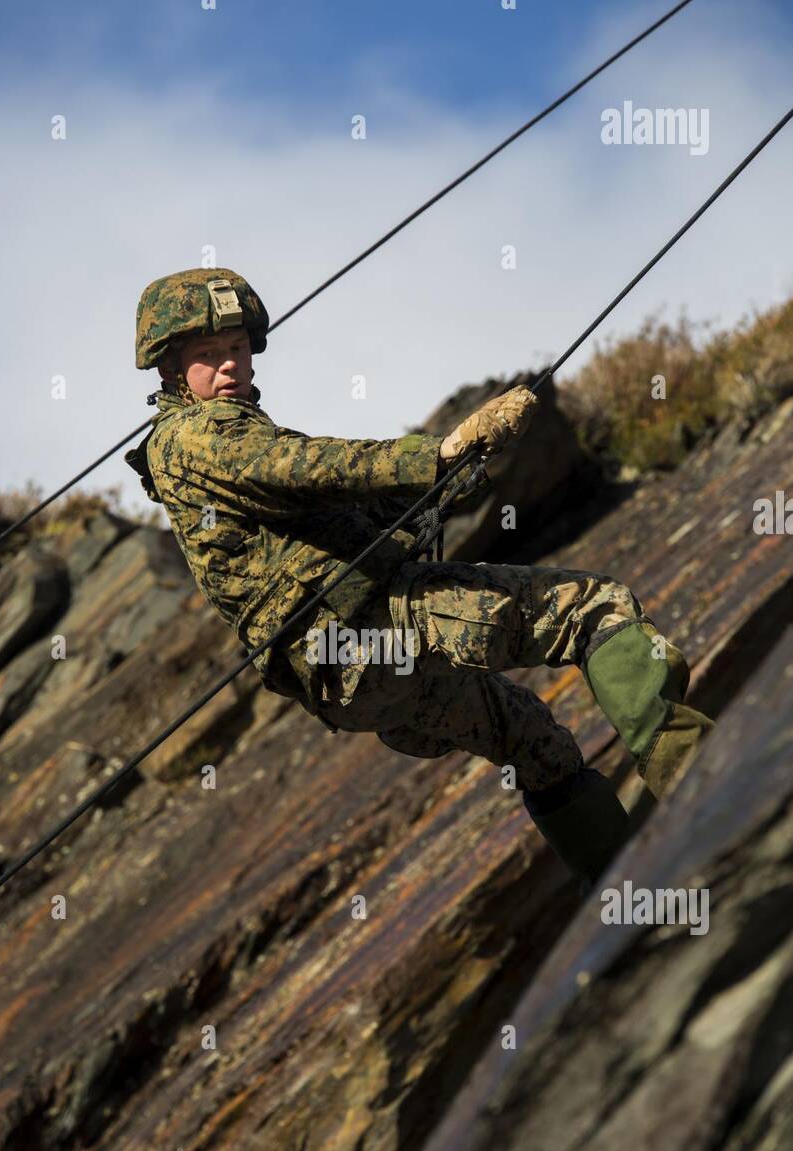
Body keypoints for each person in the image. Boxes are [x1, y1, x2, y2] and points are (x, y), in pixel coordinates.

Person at [127, 267, 714, 891]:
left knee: (535, 741)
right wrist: (440, 452)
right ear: (170, 370)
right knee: (593, 608)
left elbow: (320, 510)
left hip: (347, 677)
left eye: (238, 349)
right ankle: (716, 793)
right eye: (208, 356)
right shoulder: (199, 434)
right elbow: (301, 468)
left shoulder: (202, 443)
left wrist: (447, 477)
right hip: (370, 633)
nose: (229, 367)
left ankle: (637, 906)